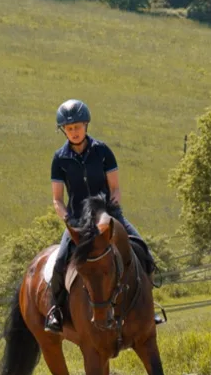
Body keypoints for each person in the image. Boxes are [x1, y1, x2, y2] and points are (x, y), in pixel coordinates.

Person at [46, 99, 153, 334]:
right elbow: (57, 199)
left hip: (108, 215)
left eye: (78, 127)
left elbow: (115, 188)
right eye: (69, 128)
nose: (74, 132)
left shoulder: (103, 151)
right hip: (78, 222)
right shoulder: (59, 159)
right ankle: (56, 311)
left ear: (86, 125)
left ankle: (149, 305)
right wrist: (68, 220)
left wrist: (112, 206)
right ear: (63, 130)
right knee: (60, 262)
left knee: (144, 251)